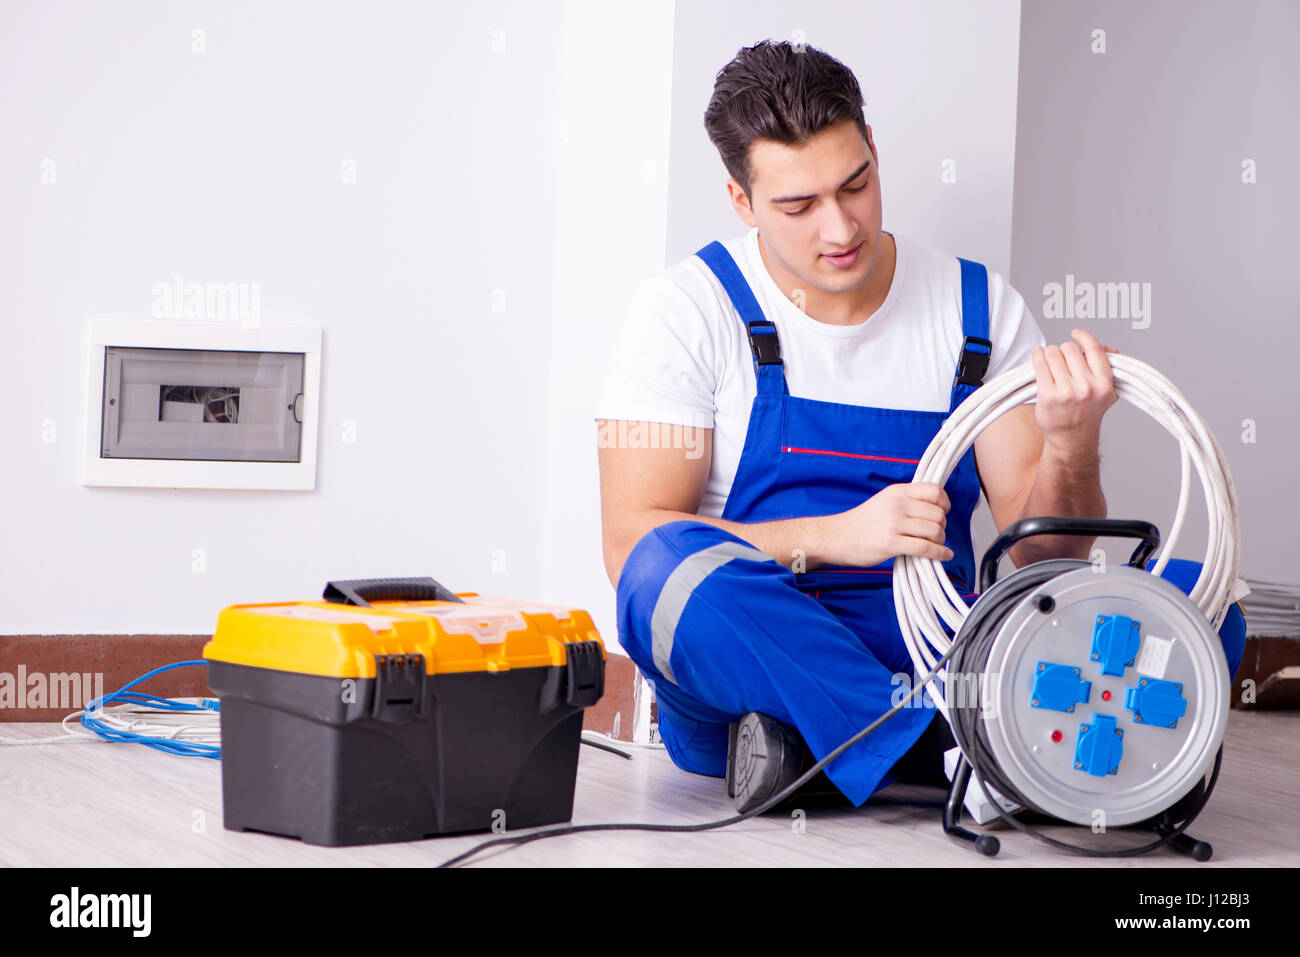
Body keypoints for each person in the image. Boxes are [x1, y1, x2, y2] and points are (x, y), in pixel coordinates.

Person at [594, 40, 1245, 813]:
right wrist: (840, 536)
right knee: (663, 569)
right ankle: (975, 755)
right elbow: (632, 543)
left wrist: (1072, 439)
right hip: (755, 655)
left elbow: (1047, 558)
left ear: (873, 150)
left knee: (1196, 601)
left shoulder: (979, 311)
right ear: (741, 201)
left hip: (943, 653)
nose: (839, 228)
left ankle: (837, 750)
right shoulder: (685, 310)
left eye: (855, 186)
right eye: (798, 207)